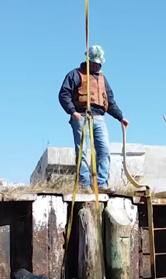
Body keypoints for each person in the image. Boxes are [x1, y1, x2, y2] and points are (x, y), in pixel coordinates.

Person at [58, 45, 129, 193]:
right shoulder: (75, 74)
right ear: (88, 60)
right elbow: (64, 95)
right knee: (83, 151)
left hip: (99, 118)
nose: (97, 65)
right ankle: (85, 184)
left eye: (99, 63)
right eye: (94, 63)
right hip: (81, 116)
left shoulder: (103, 80)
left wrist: (120, 117)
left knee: (104, 150)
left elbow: (109, 101)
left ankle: (101, 184)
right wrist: (73, 112)